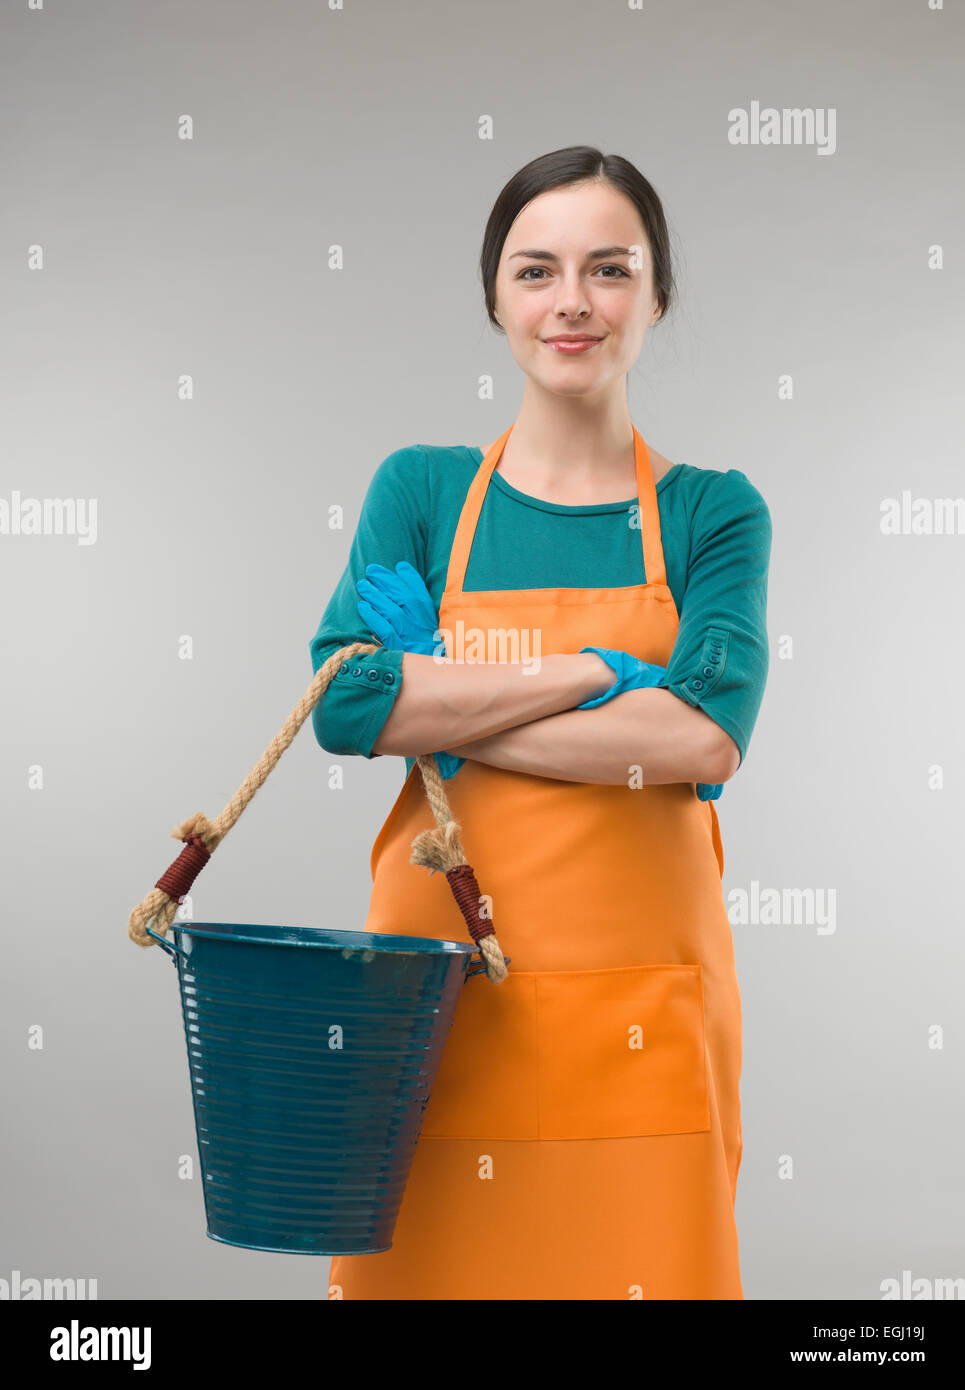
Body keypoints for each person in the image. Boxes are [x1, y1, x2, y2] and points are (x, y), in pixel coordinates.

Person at [308, 145, 772, 1299]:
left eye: (610, 270)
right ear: (495, 298)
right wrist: (599, 677)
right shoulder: (420, 492)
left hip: (643, 1018)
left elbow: (705, 739)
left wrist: (442, 707)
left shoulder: (711, 511)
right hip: (439, 1007)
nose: (573, 302)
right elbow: (346, 704)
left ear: (656, 294)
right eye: (537, 271)